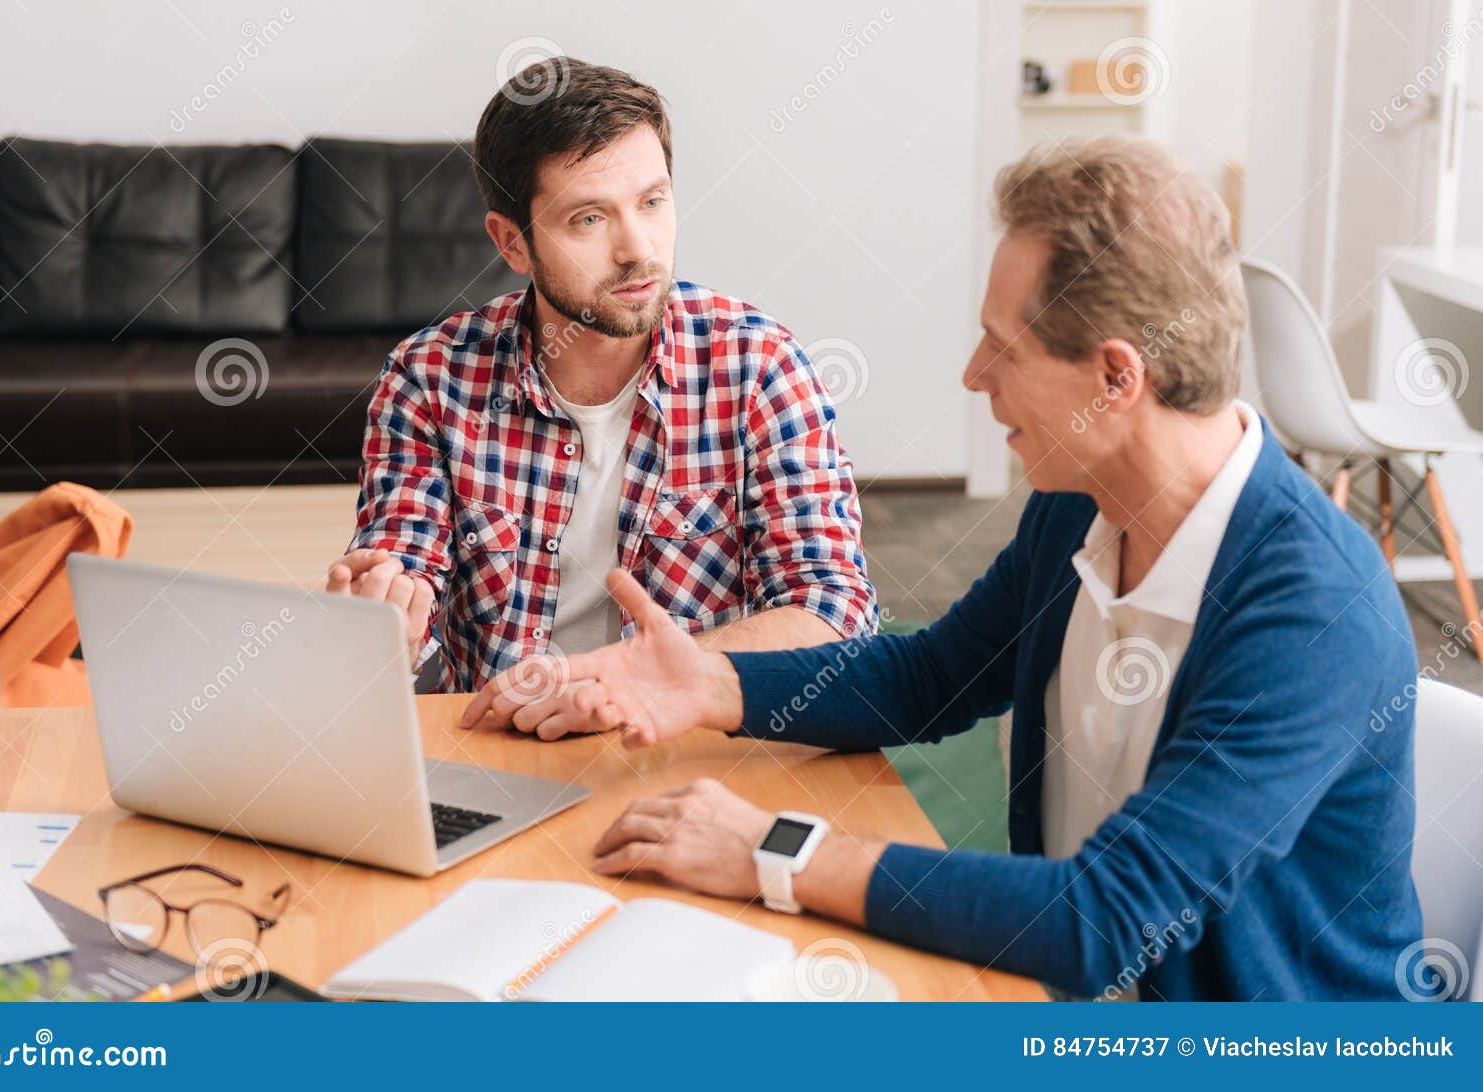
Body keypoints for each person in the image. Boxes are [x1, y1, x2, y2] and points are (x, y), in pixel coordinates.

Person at [463, 135, 1425, 1001]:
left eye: (1003, 347)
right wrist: (712, 682)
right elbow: (931, 678)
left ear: (1116, 378)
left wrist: (775, 850)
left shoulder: (1310, 609)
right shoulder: (1080, 505)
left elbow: (1108, 917)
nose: (973, 374)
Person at [325, 58, 877, 731]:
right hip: (507, 748)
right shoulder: (429, 379)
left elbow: (833, 613)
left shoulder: (759, 365)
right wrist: (386, 618)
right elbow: (405, 579)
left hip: (691, 749)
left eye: (652, 202)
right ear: (512, 243)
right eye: (589, 219)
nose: (638, 250)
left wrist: (648, 679)